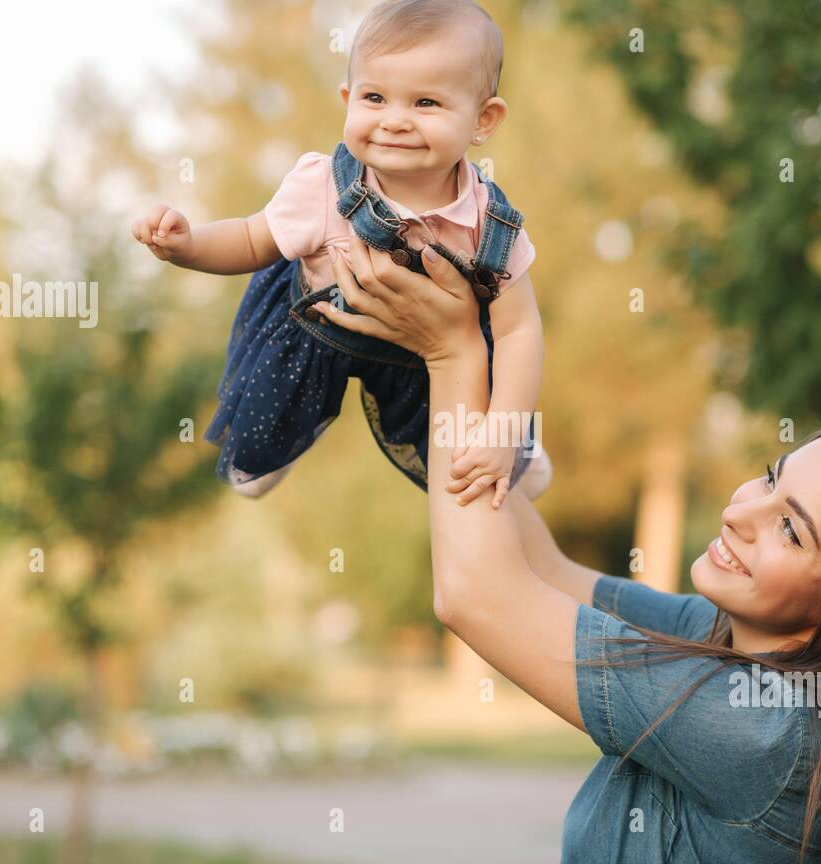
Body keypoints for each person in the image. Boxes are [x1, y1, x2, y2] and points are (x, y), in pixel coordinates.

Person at [310, 232, 821, 864]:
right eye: (772, 477)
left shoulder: (769, 735)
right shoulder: (715, 634)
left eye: (790, 528)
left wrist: (454, 354)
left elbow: (477, 595)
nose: (743, 510)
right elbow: (541, 570)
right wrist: (432, 372)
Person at [129, 0, 551, 505]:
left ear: (483, 119)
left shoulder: (489, 222)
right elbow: (249, 239)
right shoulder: (323, 185)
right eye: (375, 97)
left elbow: (518, 329)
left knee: (466, 449)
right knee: (270, 410)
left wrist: (502, 429)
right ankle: (272, 452)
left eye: (426, 104)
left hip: (418, 361)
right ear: (348, 99)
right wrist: (188, 245)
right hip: (315, 327)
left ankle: (521, 453)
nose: (395, 121)